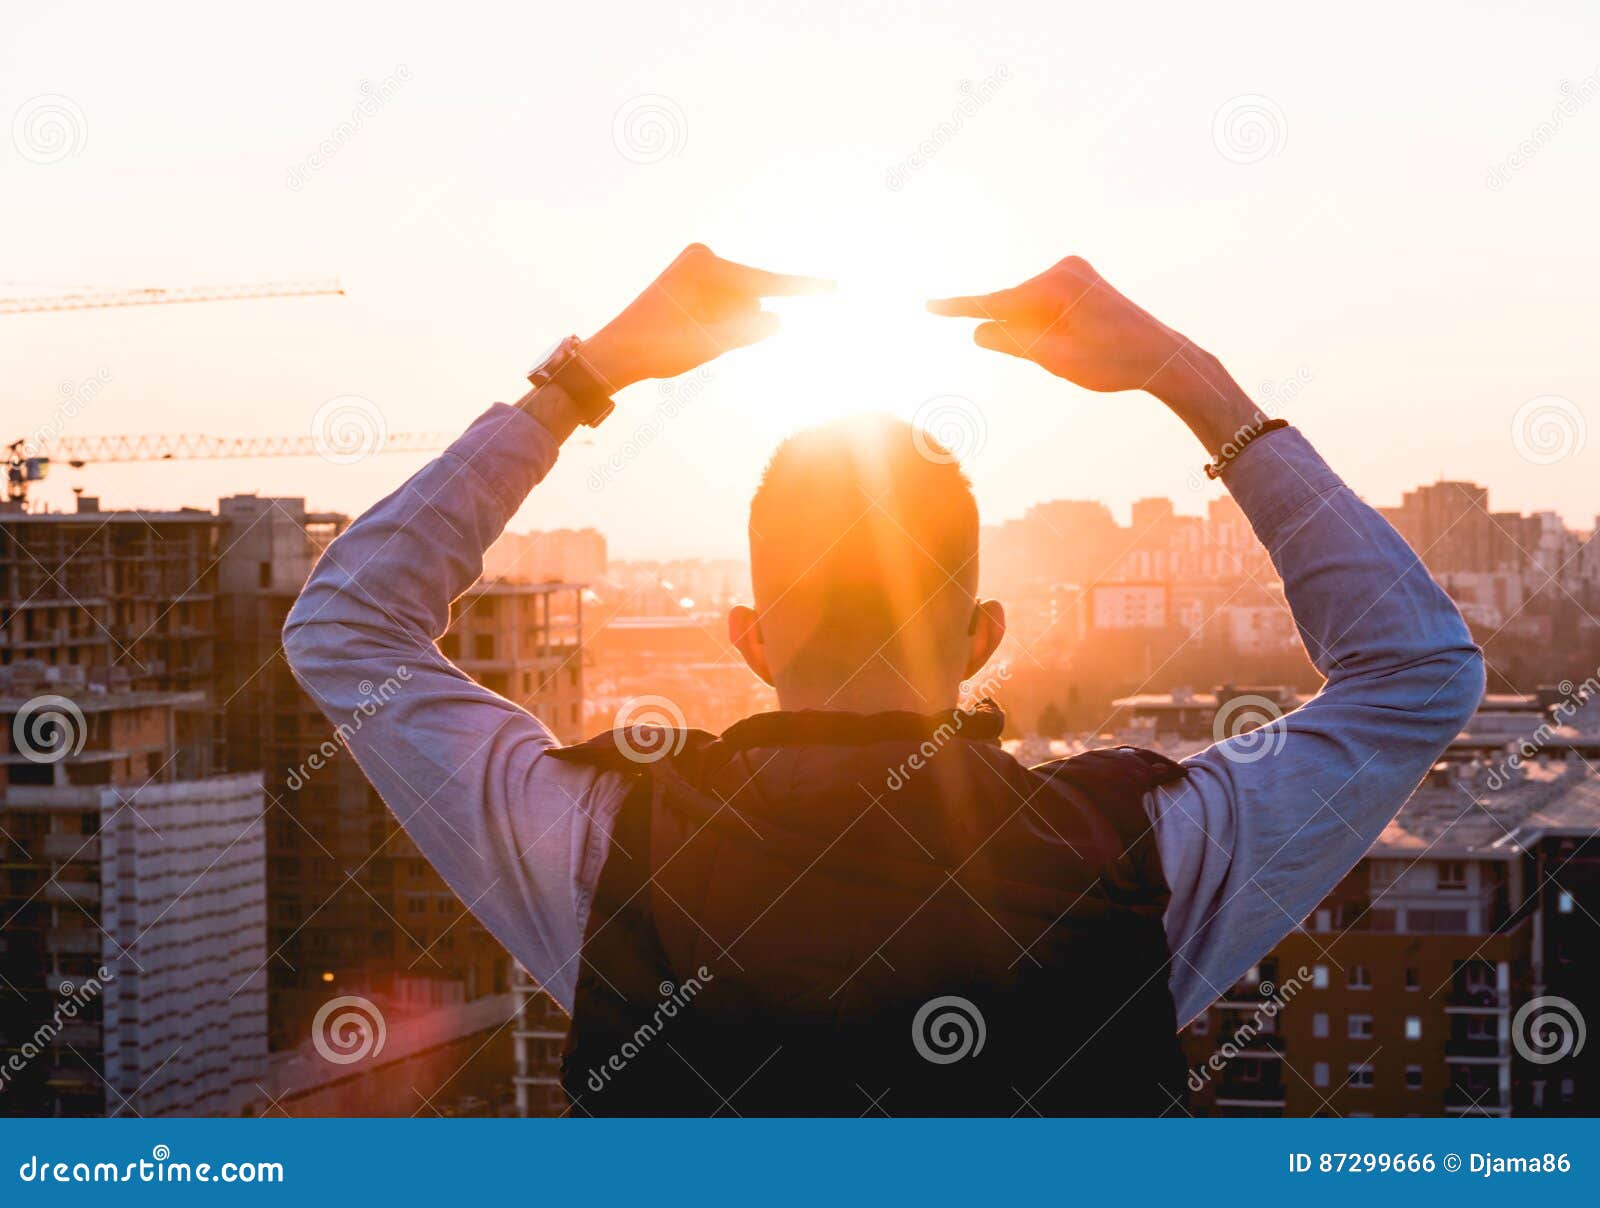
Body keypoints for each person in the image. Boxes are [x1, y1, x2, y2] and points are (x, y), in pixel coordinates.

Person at [283, 244, 1484, 1115]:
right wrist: (1189, 380)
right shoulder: (1145, 852)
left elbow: (346, 628)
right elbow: (1415, 672)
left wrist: (580, 381)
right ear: (985, 637)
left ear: (748, 635)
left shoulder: (602, 847)